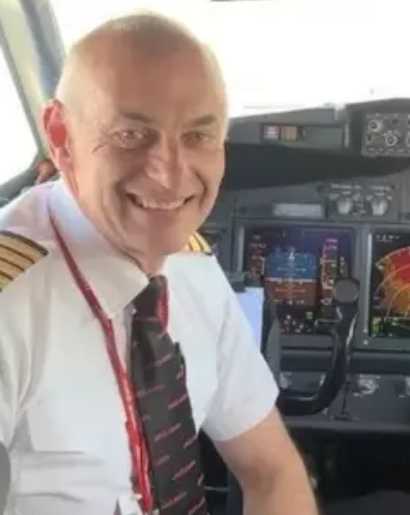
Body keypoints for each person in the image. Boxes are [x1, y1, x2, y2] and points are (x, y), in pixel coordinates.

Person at [0, 12, 318, 515]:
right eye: (131, 134)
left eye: (198, 136)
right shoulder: (11, 302)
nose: (169, 176)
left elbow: (273, 472)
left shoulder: (193, 269)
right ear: (61, 137)